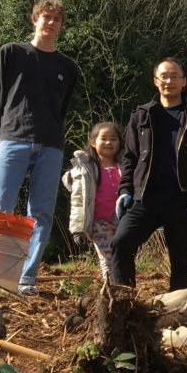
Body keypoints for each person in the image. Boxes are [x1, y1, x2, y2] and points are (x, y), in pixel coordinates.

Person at [0, 0, 78, 295]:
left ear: (61, 25)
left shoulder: (68, 67)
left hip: (51, 145)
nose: (50, 23)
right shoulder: (11, 53)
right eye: (46, 17)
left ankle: (26, 279)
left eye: (56, 19)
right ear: (34, 19)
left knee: (42, 213)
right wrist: (2, 136)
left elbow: (61, 108)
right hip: (13, 139)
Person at [110, 58, 187, 291]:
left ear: (184, 81)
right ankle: (124, 305)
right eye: (164, 76)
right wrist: (125, 190)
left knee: (181, 264)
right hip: (146, 197)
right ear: (156, 81)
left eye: (175, 76)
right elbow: (129, 157)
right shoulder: (142, 115)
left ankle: (177, 316)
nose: (169, 81)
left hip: (184, 201)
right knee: (121, 243)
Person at [62, 121, 121, 282]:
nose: (109, 142)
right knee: (108, 258)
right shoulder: (86, 169)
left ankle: (122, 288)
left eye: (114, 138)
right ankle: (111, 290)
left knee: (122, 256)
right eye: (104, 138)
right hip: (99, 223)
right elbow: (79, 199)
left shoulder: (124, 167)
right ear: (94, 142)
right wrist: (77, 229)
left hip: (121, 221)